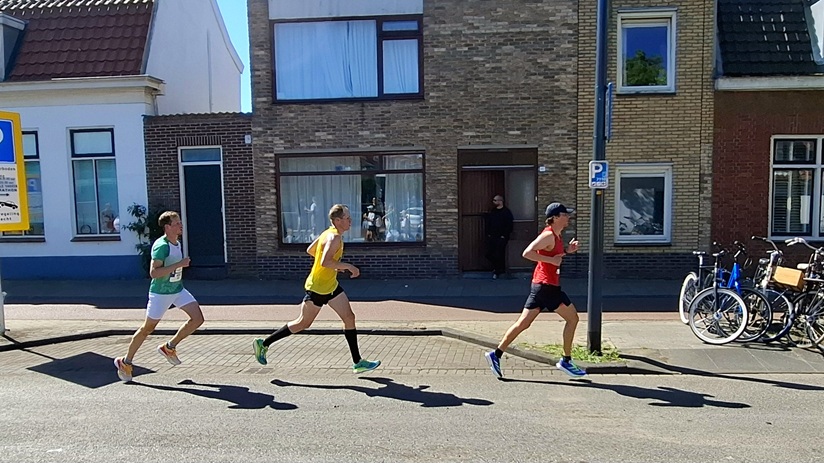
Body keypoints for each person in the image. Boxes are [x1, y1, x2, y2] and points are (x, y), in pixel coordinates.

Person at [253, 204, 381, 373]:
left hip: (331, 286)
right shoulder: (334, 237)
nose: (351, 221)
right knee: (303, 323)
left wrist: (334, 266)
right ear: (337, 220)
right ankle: (264, 344)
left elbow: (311, 250)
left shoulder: (328, 233)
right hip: (318, 288)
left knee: (349, 318)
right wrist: (348, 266)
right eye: (347, 218)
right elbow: (324, 262)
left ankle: (358, 362)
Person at [484, 202, 586, 379]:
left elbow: (553, 254)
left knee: (523, 324)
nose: (568, 217)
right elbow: (527, 253)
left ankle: (496, 354)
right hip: (547, 287)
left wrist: (568, 250)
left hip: (541, 286)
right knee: (573, 318)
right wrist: (551, 262)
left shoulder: (557, 235)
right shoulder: (548, 235)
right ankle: (566, 360)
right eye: (565, 214)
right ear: (554, 218)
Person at [114, 211, 204, 382]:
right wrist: (180, 264)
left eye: (180, 222)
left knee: (197, 319)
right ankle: (125, 362)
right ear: (167, 227)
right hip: (160, 294)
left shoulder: (176, 242)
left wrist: (179, 267)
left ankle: (169, 347)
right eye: (177, 223)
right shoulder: (161, 246)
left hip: (177, 290)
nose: (180, 225)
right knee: (147, 328)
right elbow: (154, 273)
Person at [485, 195, 514, 279]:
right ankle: (497, 269)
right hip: (493, 236)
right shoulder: (493, 211)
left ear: (500, 201)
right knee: (489, 254)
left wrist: (504, 235)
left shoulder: (506, 212)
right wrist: (489, 233)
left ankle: (498, 271)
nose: (493, 202)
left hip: (501, 237)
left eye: (495, 200)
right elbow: (490, 222)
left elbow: (509, 225)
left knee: (499, 254)